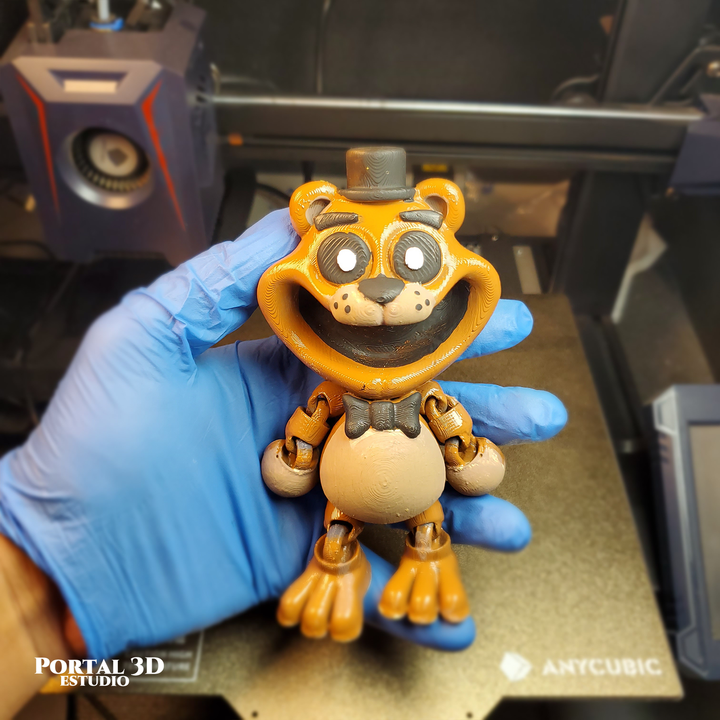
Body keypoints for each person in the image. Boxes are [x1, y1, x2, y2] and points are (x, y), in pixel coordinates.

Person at [0, 209, 566, 717]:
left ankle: (427, 559)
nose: (382, 291)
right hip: (339, 497)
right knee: (336, 532)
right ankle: (334, 569)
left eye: (411, 260)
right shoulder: (330, 395)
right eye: (348, 262)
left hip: (421, 495)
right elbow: (306, 436)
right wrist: (296, 458)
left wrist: (466, 451)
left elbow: (454, 433)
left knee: (427, 523)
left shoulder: (427, 396)